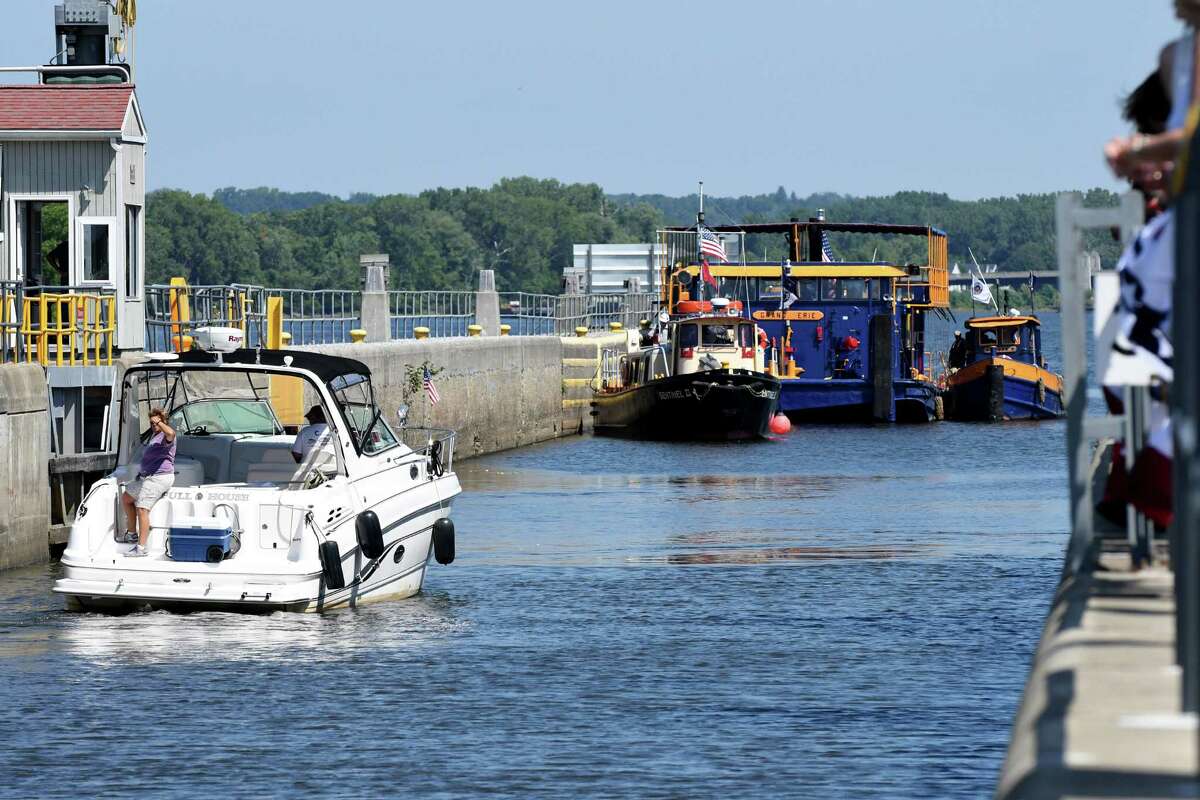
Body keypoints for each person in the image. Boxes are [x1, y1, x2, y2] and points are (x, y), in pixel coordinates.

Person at [121, 407, 176, 557]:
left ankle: (141, 548)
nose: (153, 425)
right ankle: (132, 534)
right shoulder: (154, 435)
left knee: (142, 509)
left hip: (159, 478)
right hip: (147, 477)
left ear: (163, 421)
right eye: (151, 423)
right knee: (126, 498)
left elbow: (171, 433)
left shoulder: (165, 436)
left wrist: (159, 423)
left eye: (156, 422)